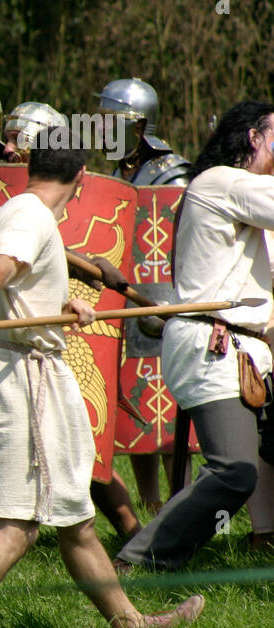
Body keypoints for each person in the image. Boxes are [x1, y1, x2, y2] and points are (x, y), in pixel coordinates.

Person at [0, 127, 204, 628]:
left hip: (21, 373)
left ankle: (130, 624)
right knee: (15, 528)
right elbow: (8, 264)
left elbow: (19, 285)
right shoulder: (30, 215)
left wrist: (58, 312)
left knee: (76, 521)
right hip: (19, 383)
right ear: (82, 177)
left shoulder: (15, 211)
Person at [115, 101, 274, 572]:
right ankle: (139, 562)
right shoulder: (222, 183)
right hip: (216, 345)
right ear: (253, 138)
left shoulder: (243, 193)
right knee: (233, 472)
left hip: (244, 347)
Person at [99, 78, 190, 519]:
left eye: (108, 123)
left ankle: (183, 505)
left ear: (136, 128)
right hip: (130, 306)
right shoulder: (117, 176)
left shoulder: (175, 174)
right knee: (139, 407)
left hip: (167, 305)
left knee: (171, 411)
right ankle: (151, 501)